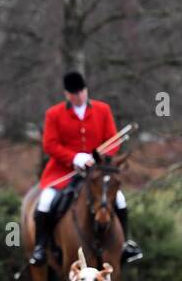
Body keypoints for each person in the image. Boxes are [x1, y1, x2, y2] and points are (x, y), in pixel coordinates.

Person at [28, 71, 142, 267]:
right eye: (75, 94)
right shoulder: (54, 114)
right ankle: (40, 247)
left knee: (120, 200)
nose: (79, 97)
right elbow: (50, 145)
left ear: (86, 90)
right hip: (63, 172)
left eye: (82, 92)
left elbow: (113, 141)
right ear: (67, 95)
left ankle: (125, 244)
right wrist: (74, 157)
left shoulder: (102, 110)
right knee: (45, 203)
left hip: (97, 171)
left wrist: (97, 156)